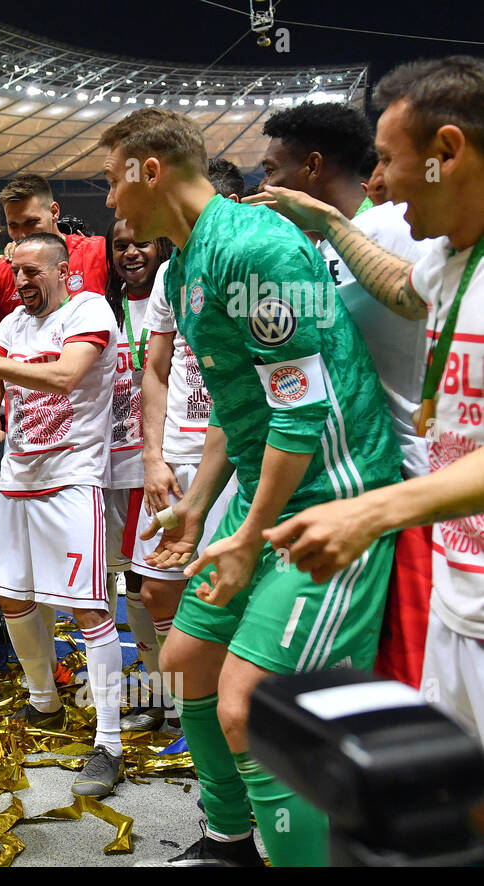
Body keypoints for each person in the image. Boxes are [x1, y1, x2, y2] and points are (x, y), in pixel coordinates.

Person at [100, 108, 402, 866]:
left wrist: (244, 533)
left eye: (111, 180)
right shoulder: (189, 261)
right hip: (263, 495)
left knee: (250, 712)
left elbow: (299, 414)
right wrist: (202, 505)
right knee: (182, 666)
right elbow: (241, 408)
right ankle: (231, 840)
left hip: (331, 501)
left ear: (149, 169)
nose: (109, 201)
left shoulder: (258, 248)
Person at [262, 56, 484, 742]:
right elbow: (398, 286)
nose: (378, 181)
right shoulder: (454, 259)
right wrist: (329, 222)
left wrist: (371, 511)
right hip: (459, 587)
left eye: (387, 161)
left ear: (447, 152)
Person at [0, 233, 125, 797]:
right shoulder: (14, 325)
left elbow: (66, 375)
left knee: (88, 610)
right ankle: (44, 702)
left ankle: (110, 744)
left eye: (31, 271)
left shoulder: (89, 309)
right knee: (15, 598)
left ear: (63, 271)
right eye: (14, 272)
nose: (20, 282)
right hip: (18, 477)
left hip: (73, 478)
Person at [259, 101, 433, 476]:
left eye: (272, 171)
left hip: (414, 465)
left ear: (312, 166)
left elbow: (421, 300)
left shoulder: (395, 226)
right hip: (363, 463)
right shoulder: (323, 245)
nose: (265, 185)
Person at [128, 163, 242, 732]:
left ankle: (219, 712)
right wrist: (154, 455)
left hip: (236, 459)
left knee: (220, 592)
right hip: (176, 454)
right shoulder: (171, 271)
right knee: (156, 592)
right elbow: (156, 366)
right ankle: (180, 705)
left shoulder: (245, 260)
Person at [102, 218, 170, 729]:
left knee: (156, 585)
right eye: (120, 245)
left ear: (161, 244)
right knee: (122, 586)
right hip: (109, 467)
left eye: (140, 242)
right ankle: (155, 694)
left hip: (160, 464)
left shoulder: (178, 299)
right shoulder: (102, 309)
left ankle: (183, 698)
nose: (130, 253)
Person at [0, 173, 109, 334]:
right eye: (14, 226)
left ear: (54, 212)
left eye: (31, 222)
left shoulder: (98, 252)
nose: (22, 235)